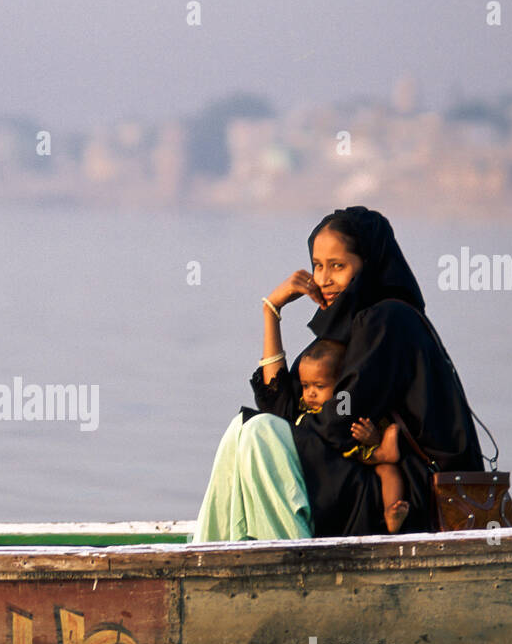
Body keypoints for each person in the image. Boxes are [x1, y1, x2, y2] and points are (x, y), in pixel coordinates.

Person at [193, 206, 482, 542]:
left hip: (408, 496)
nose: (324, 279)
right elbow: (280, 408)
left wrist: (279, 433)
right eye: (318, 265)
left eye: (338, 266)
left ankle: (289, 561)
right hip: (362, 477)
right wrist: (271, 311)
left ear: (368, 264)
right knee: (242, 430)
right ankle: (210, 550)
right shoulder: (347, 327)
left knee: (260, 433)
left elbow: (343, 415)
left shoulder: (387, 320)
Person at [293, 339, 410, 533]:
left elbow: (355, 423)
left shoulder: (345, 404)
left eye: (320, 386)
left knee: (389, 471)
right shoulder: (306, 409)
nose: (311, 394)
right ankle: (380, 454)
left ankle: (392, 510)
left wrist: (372, 439)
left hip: (360, 452)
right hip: (334, 463)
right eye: (306, 386)